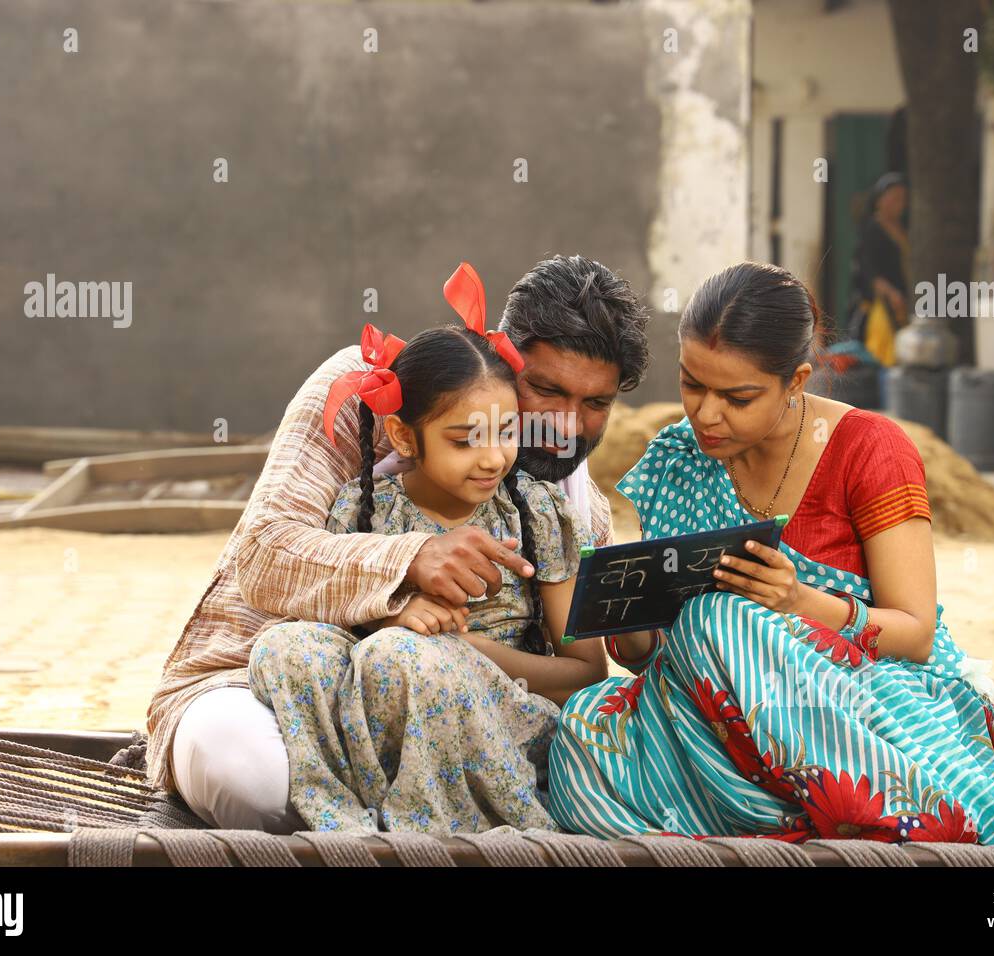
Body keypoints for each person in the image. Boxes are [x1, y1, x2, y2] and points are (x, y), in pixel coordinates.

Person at [547, 261, 994, 845]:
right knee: (582, 736)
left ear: (797, 381)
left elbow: (915, 634)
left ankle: (857, 803)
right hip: (714, 719)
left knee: (722, 619)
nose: (706, 414)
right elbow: (656, 657)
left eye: (738, 396)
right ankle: (792, 812)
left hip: (862, 706)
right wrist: (631, 620)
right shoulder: (678, 456)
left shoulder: (871, 450)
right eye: (692, 384)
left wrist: (798, 601)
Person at [145, 255, 651, 832]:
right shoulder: (367, 391)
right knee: (245, 770)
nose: (564, 426)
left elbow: (598, 660)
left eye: (596, 404)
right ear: (502, 358)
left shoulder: (564, 499)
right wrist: (411, 558)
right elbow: (265, 553)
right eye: (544, 389)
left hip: (479, 714)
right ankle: (361, 827)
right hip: (273, 690)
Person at [247, 272, 609, 832]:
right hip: (380, 710)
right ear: (404, 437)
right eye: (466, 440)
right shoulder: (367, 510)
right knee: (286, 646)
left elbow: (587, 672)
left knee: (403, 656)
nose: (493, 458)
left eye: (507, 431)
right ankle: (342, 823)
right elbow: (340, 636)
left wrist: (460, 651)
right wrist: (394, 609)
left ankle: (435, 836)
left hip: (501, 716)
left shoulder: (537, 513)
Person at [848, 172, 910, 366]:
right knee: (881, 358)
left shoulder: (902, 229)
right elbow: (869, 270)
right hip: (879, 305)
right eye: (893, 198)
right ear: (880, 200)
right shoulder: (872, 230)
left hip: (902, 303)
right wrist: (892, 294)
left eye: (902, 199)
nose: (898, 203)